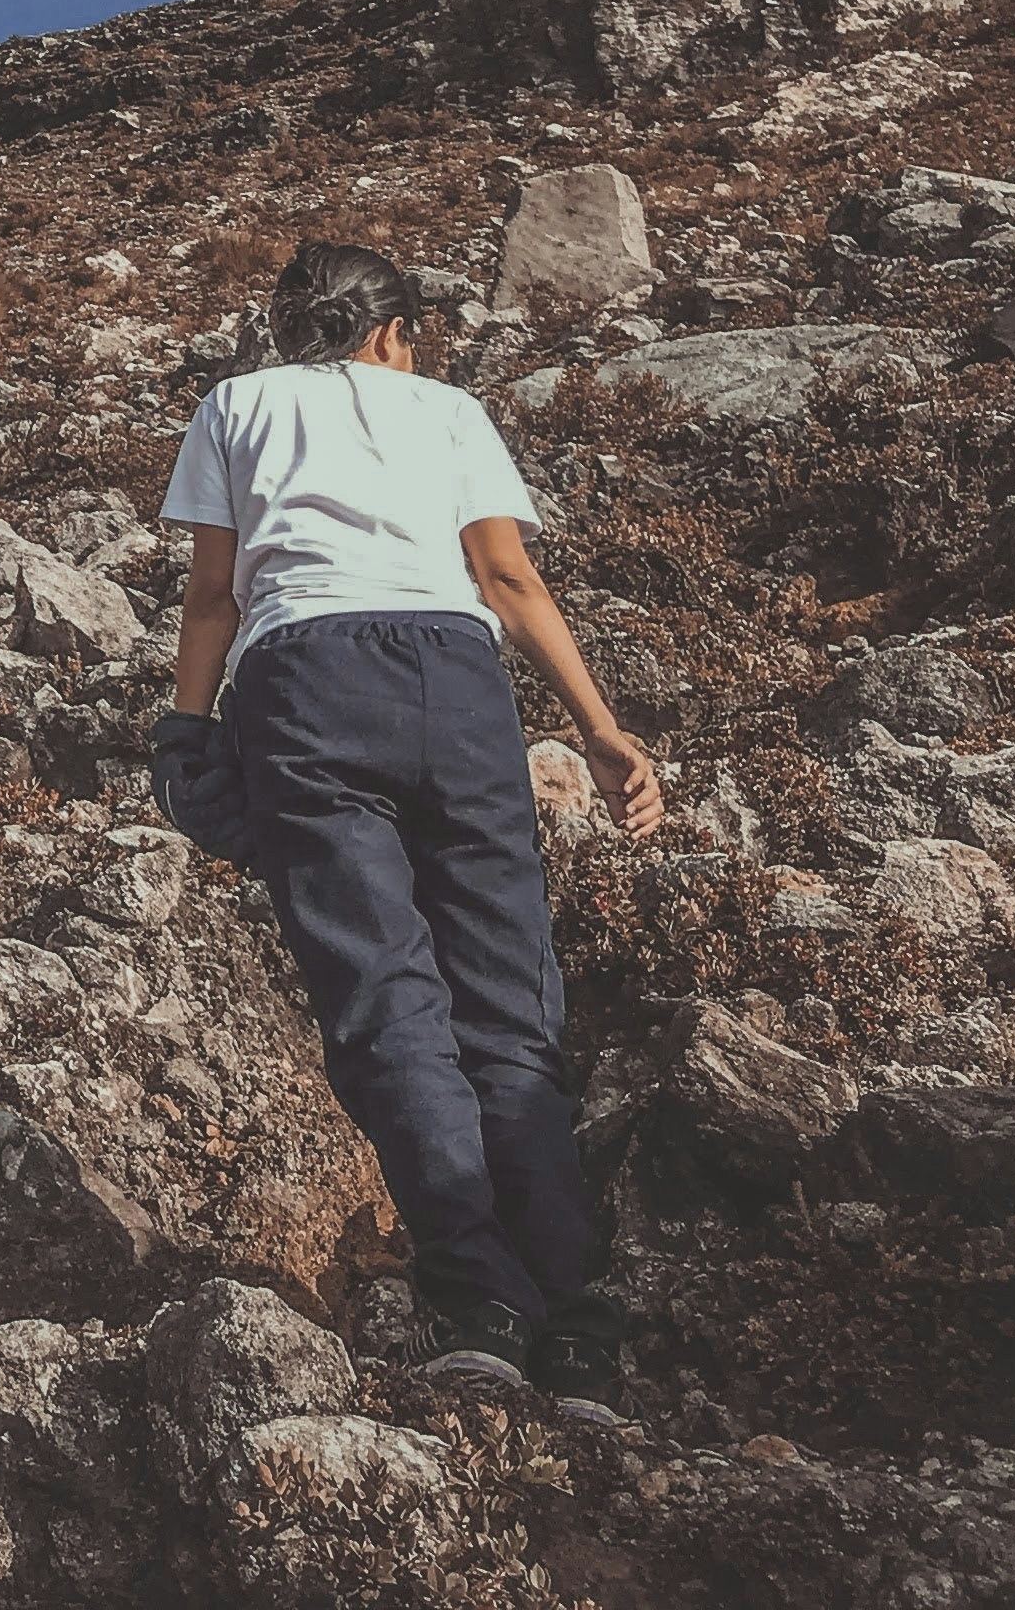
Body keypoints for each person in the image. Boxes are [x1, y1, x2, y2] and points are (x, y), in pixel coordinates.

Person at [146, 239, 665, 1422]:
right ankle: (578, 1319)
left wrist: (184, 734)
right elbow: (508, 580)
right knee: (509, 1002)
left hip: (305, 680)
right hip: (457, 683)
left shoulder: (236, 404)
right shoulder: (450, 411)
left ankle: (480, 1305)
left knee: (384, 998)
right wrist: (601, 730)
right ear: (391, 332)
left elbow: (214, 597)